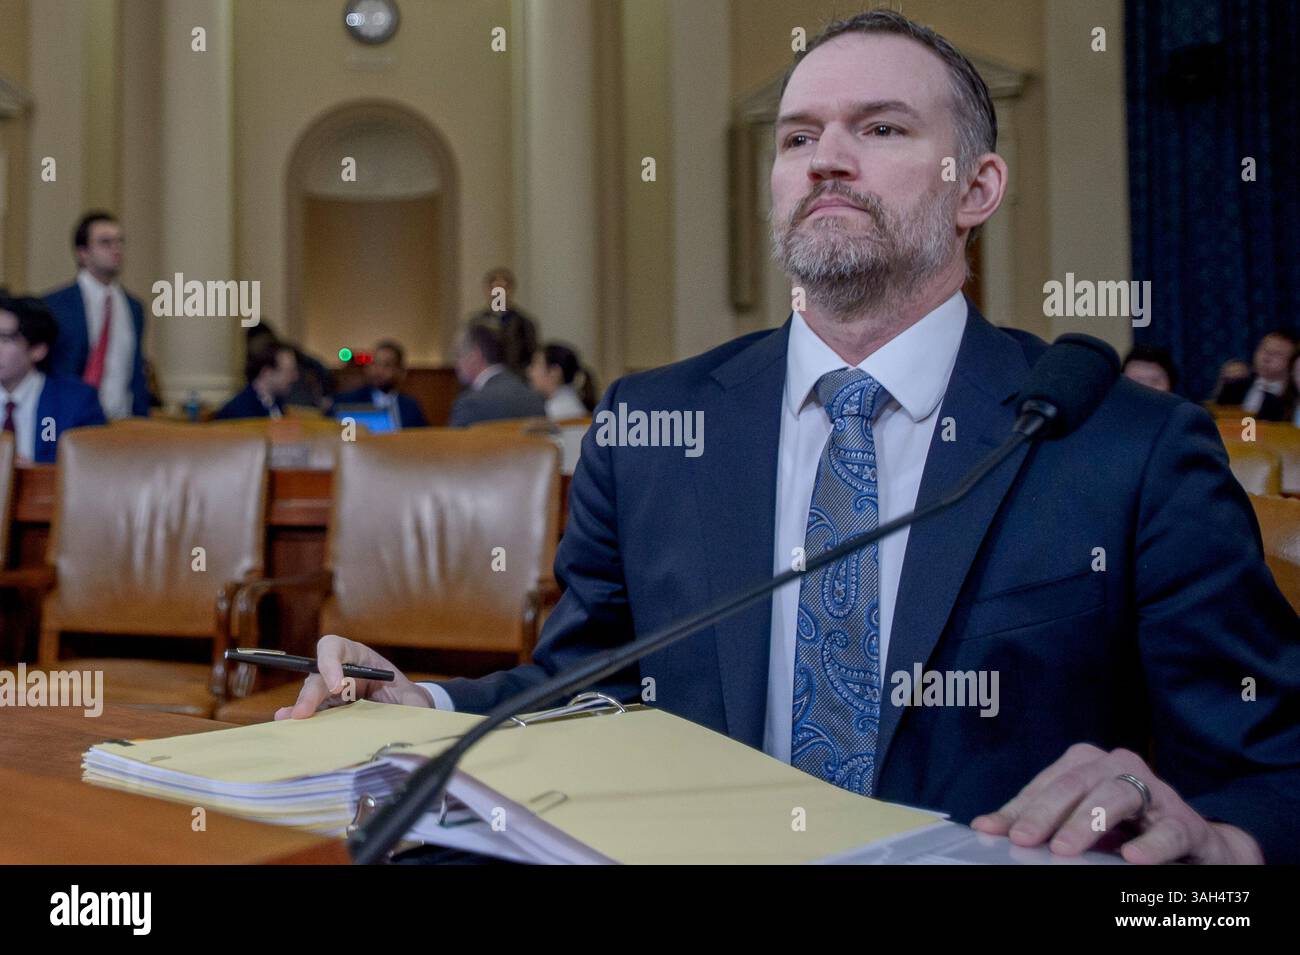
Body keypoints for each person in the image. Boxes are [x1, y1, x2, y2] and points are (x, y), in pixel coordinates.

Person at [279, 10, 1299, 864]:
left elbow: (1265, 770)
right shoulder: (649, 427)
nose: (827, 161)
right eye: (797, 136)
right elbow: (589, 683)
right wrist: (429, 701)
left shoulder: (1127, 445)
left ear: (976, 189)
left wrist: (1214, 843)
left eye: (883, 129)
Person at [43, 212, 151, 419]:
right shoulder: (55, 305)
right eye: (105, 242)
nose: (116, 249)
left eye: (120, 241)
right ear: (82, 252)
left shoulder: (134, 307)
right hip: (68, 420)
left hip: (122, 421)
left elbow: (134, 370)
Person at [0, 294, 105, 462]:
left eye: (5, 339)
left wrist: (32, 475)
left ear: (38, 350)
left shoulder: (77, 402)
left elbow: (92, 470)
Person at [448, 321, 546, 426]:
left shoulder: (470, 404)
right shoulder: (534, 397)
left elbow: (453, 442)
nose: (456, 364)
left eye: (458, 355)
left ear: (474, 356)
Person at [329, 339, 427, 427]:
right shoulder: (347, 402)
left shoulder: (411, 406)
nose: (378, 371)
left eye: (386, 365)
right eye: (374, 364)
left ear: (401, 372)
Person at [471, 267, 538, 377]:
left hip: (516, 382)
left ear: (511, 290)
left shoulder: (525, 324)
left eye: (503, 288)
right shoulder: (475, 323)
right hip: (484, 382)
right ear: (486, 290)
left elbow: (531, 358)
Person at [1214, 330, 1296, 420]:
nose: (1266, 358)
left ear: (1293, 362)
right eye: (1263, 349)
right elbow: (1217, 412)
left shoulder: (1293, 398)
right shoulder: (1238, 383)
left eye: (1277, 354)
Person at [212, 340, 298, 420]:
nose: (295, 377)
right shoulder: (240, 410)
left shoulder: (277, 403)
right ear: (266, 373)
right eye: (288, 371)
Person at [527, 342, 597, 419]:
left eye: (535, 364)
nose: (529, 371)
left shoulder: (561, 409)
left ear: (554, 372)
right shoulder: (564, 402)